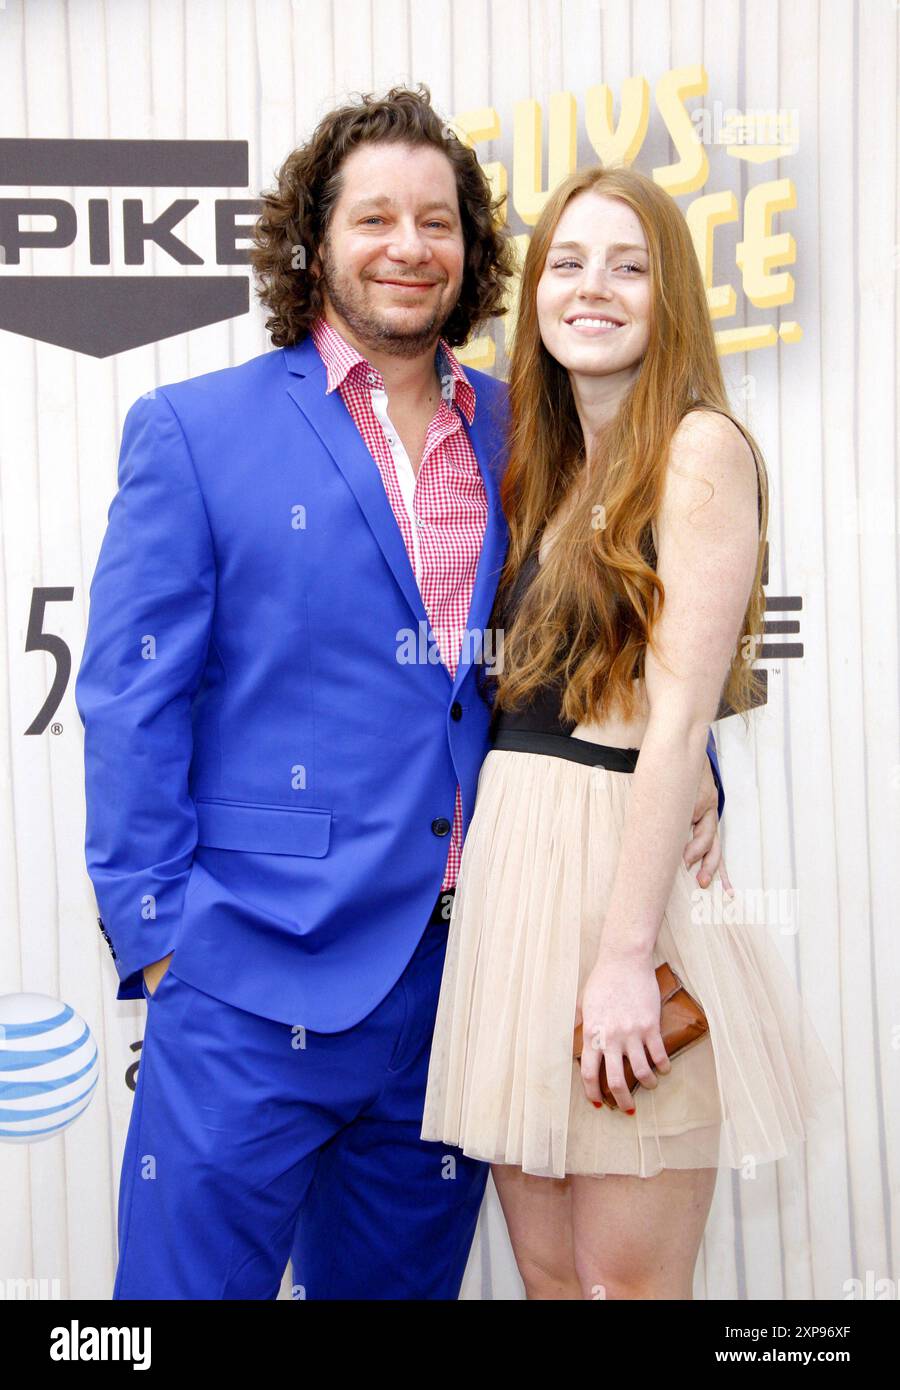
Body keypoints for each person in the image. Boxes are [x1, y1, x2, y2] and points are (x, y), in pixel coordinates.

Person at [75, 87, 724, 1301]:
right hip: (248, 979)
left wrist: (695, 774)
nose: (409, 245)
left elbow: (607, 634)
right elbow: (130, 702)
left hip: (463, 986)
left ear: (473, 250)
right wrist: (165, 945)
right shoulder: (195, 433)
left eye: (438, 220)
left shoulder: (527, 434)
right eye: (375, 217)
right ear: (314, 239)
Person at [420, 162, 842, 1301]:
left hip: (619, 894)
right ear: (535, 291)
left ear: (672, 297)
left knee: (629, 1293)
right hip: (515, 890)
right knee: (556, 1284)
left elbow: (674, 725)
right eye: (567, 261)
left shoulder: (701, 449)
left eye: (629, 264)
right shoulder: (544, 470)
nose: (592, 287)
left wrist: (622, 958)